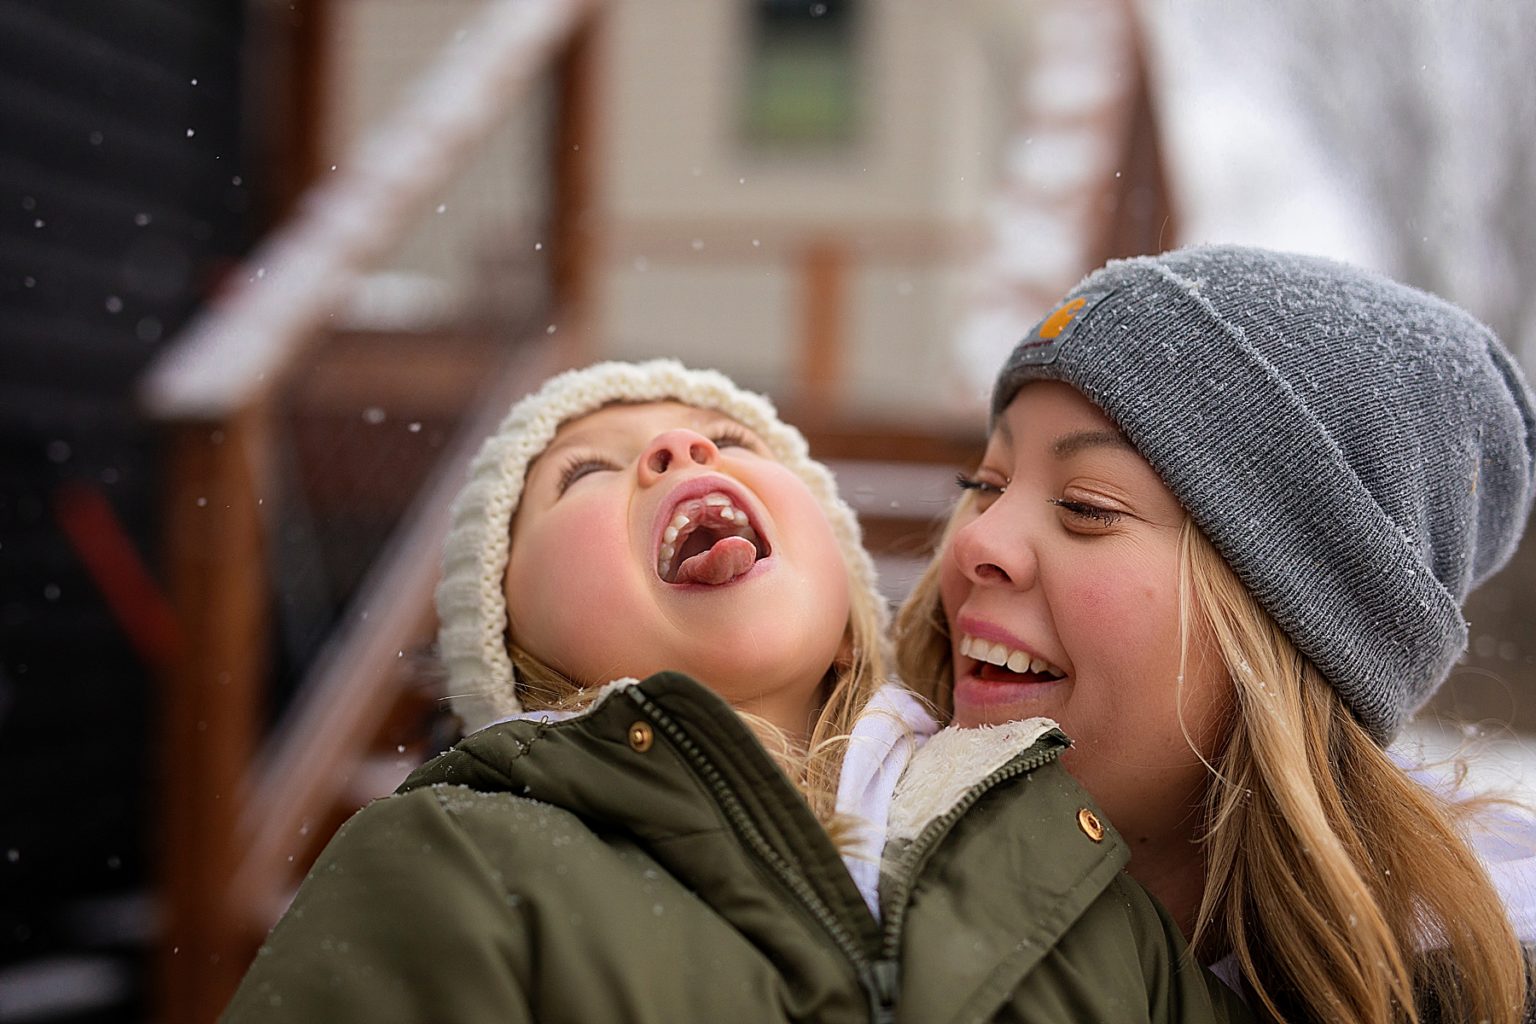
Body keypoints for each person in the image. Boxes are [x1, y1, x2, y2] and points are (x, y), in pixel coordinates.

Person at [221, 359, 1251, 1022]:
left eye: (733, 439)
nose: (682, 448)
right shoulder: (456, 861)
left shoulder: (1054, 854)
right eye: (583, 475)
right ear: (513, 645)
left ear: (849, 612)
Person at [894, 244, 1536, 1024]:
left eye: (1088, 506)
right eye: (984, 486)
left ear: (1289, 627)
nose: (974, 541)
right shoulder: (839, 876)